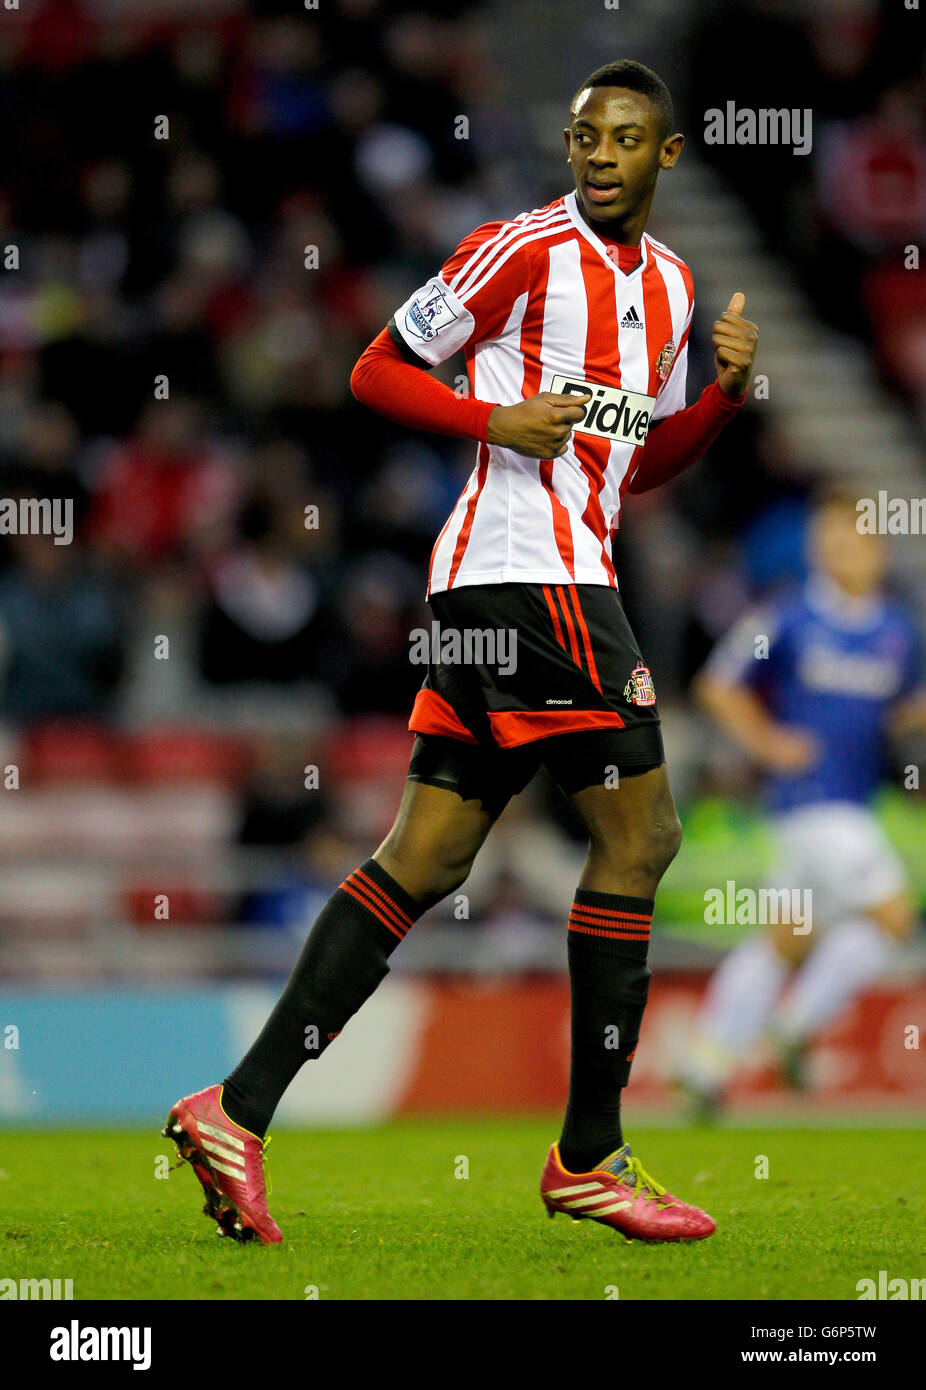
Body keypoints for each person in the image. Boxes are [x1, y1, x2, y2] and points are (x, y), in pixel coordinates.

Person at [164, 59, 758, 1244]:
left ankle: (234, 1111)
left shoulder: (677, 290)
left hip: (535, 577)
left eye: (624, 137)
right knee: (640, 834)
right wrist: (487, 416)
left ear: (667, 156)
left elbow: (632, 468)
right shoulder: (520, 249)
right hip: (521, 572)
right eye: (585, 132)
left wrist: (724, 399)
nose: (597, 152)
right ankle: (588, 1154)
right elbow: (373, 367)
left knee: (424, 857)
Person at [682, 492, 926, 1116]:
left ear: (877, 547)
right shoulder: (786, 619)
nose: (845, 552)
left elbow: (906, 707)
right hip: (810, 802)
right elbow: (718, 684)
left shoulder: (897, 631)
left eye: (856, 540)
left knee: (785, 940)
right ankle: (796, 1024)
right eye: (833, 541)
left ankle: (707, 1062)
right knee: (893, 915)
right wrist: (768, 742)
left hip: (854, 801)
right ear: (818, 549)